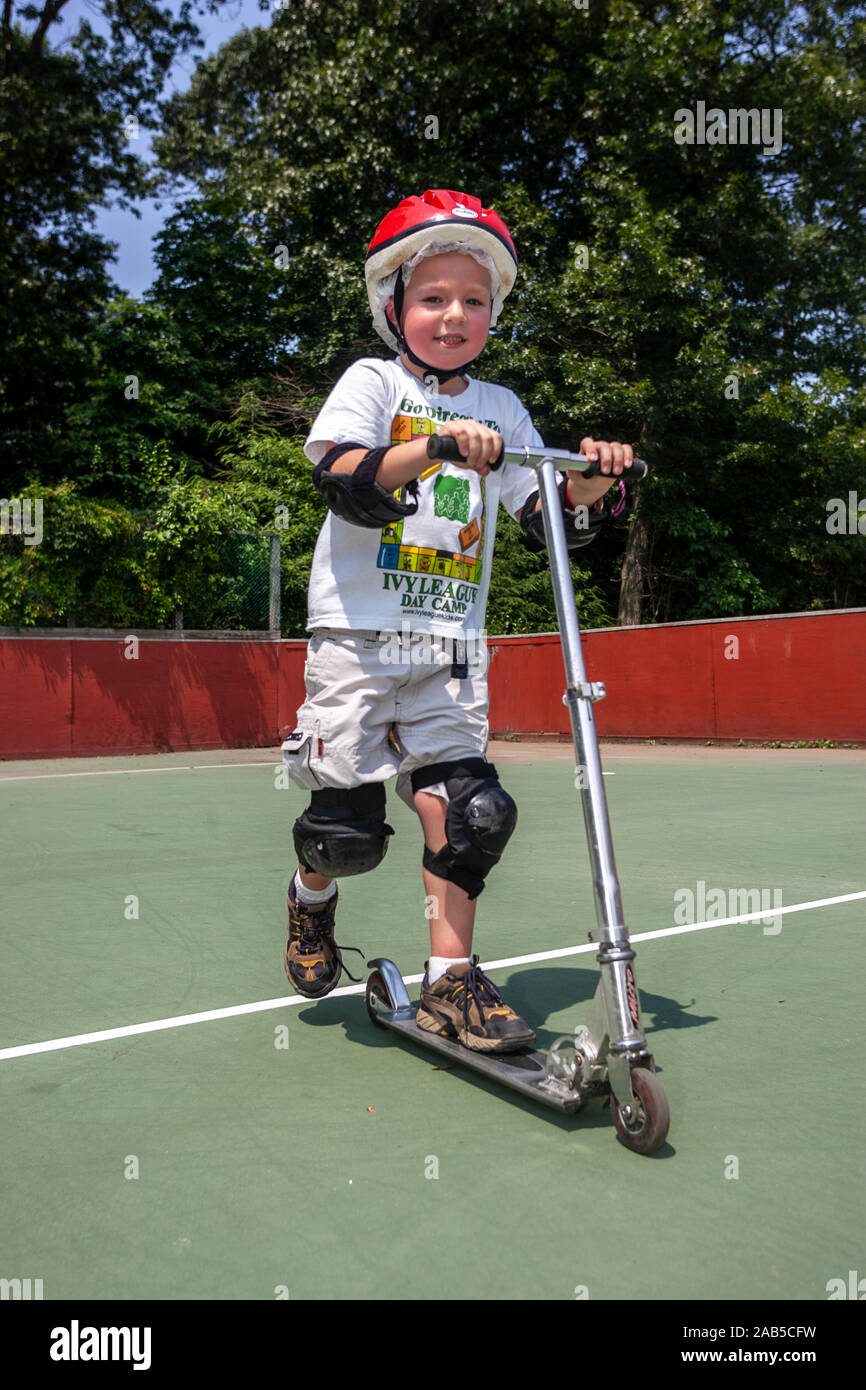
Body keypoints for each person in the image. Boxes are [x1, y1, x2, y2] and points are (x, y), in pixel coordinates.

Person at [281, 188, 633, 1053]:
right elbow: (349, 482)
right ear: (395, 305)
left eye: (473, 300)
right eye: (434, 297)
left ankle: (451, 983)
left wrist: (594, 476)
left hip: (449, 648)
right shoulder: (373, 381)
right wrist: (437, 446)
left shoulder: (504, 409)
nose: (454, 315)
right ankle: (311, 902)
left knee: (474, 811)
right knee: (345, 835)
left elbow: (555, 519)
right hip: (358, 638)